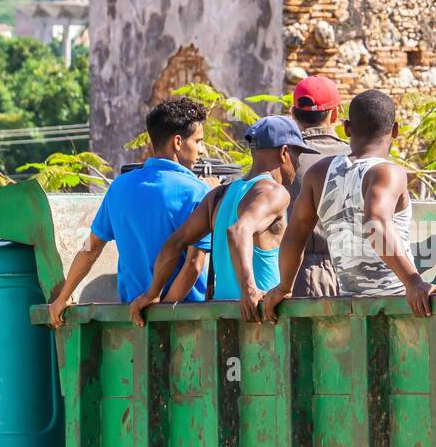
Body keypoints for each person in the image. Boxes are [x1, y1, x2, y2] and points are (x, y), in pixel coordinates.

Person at [261, 89, 436, 319]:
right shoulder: (387, 173)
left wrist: (284, 287)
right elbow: (375, 223)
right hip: (398, 303)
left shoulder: (318, 174)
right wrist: (414, 282)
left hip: (349, 308)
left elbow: (294, 236)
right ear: (395, 130)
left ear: (346, 128)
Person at [129, 116, 318, 325]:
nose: (298, 163)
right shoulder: (275, 192)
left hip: (224, 319)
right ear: (284, 153)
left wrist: (153, 293)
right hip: (262, 319)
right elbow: (238, 231)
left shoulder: (219, 195)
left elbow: (175, 242)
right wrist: (249, 290)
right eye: (297, 154)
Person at [48, 97, 210, 328]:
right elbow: (193, 265)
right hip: (187, 322)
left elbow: (90, 248)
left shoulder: (119, 187)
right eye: (198, 141)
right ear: (177, 142)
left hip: (133, 321)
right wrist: (161, 315)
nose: (201, 150)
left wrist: (61, 299)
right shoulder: (197, 191)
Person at [289, 76, 351, 297]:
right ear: (335, 114)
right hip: (354, 274)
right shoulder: (356, 158)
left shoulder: (283, 159)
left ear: (293, 113)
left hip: (294, 275)